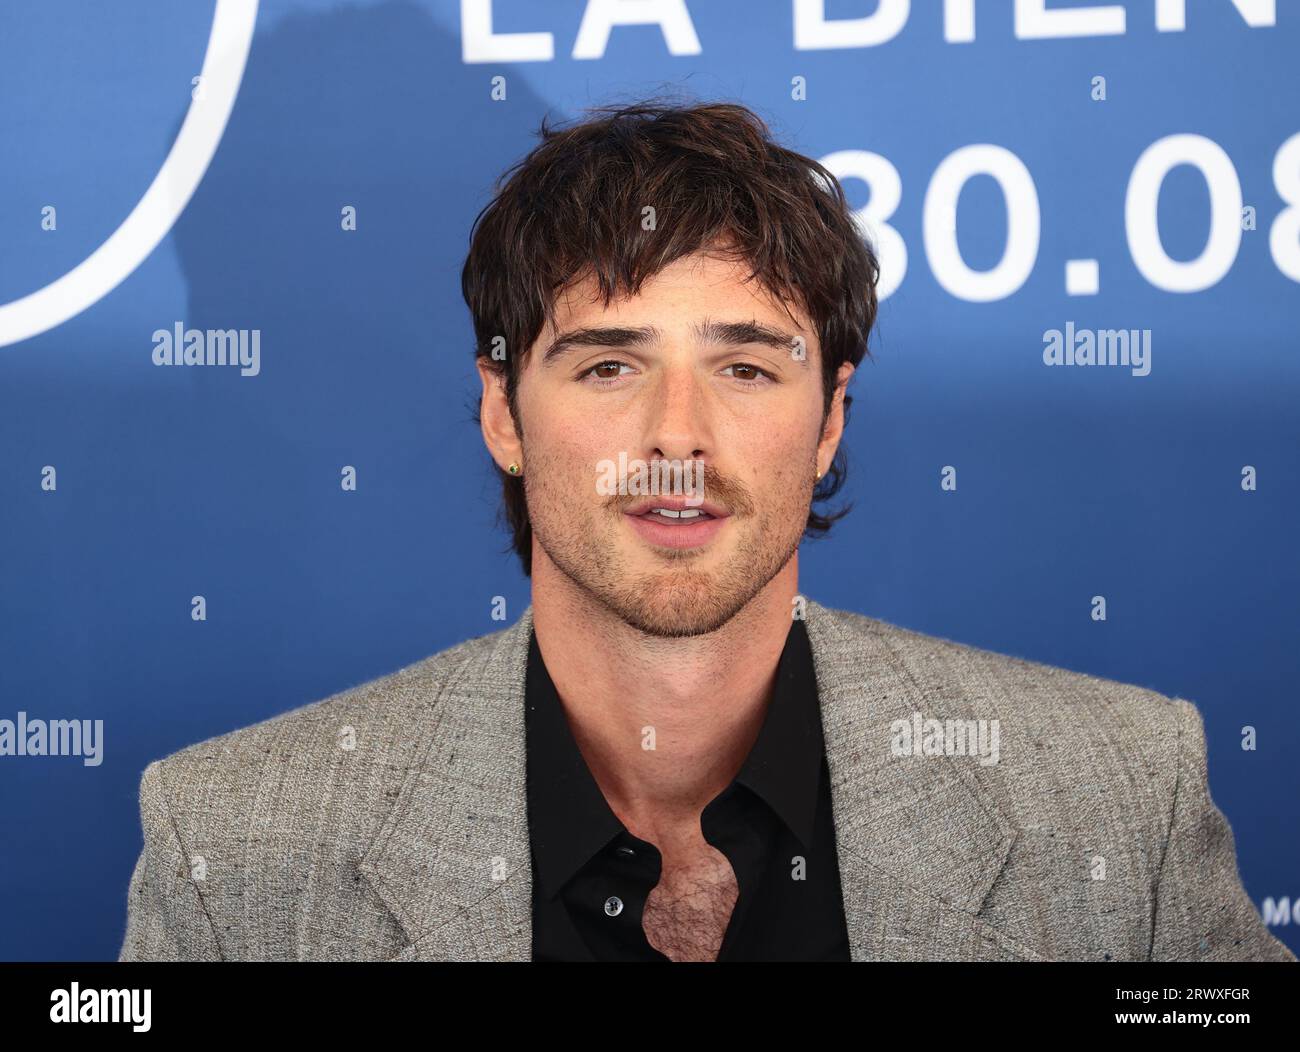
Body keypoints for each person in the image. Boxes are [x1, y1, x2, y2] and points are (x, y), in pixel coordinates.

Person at [118, 100, 1293, 962]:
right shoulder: (234, 851)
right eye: (610, 363)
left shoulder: (1115, 800)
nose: (676, 436)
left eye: (743, 363)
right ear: (501, 413)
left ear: (828, 418)